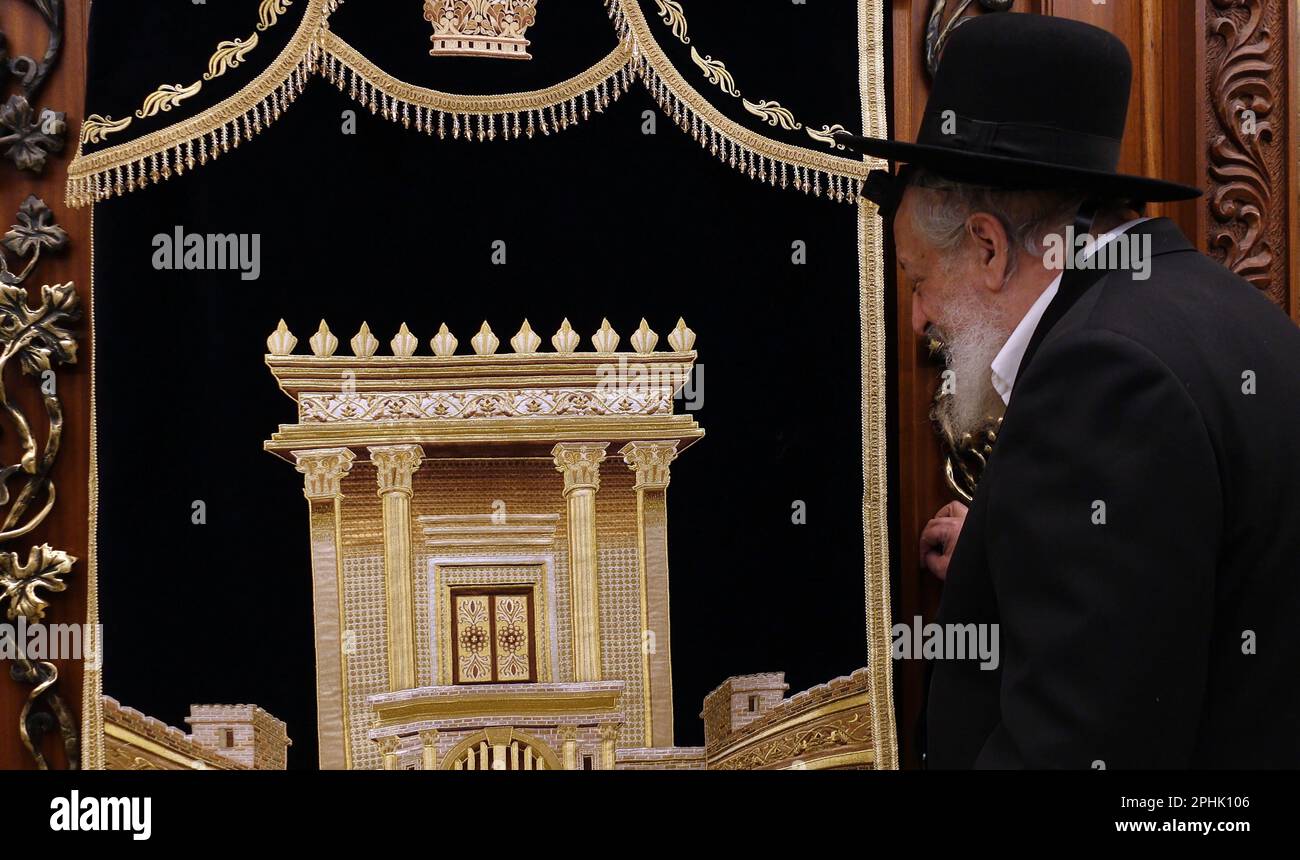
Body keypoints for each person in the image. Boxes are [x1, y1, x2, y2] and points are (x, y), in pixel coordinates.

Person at [839, 13, 1300, 768]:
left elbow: (1084, 746)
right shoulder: (1221, 311)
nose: (919, 316)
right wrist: (1004, 554)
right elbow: (1160, 591)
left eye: (918, 280)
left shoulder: (1103, 374)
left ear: (988, 246)